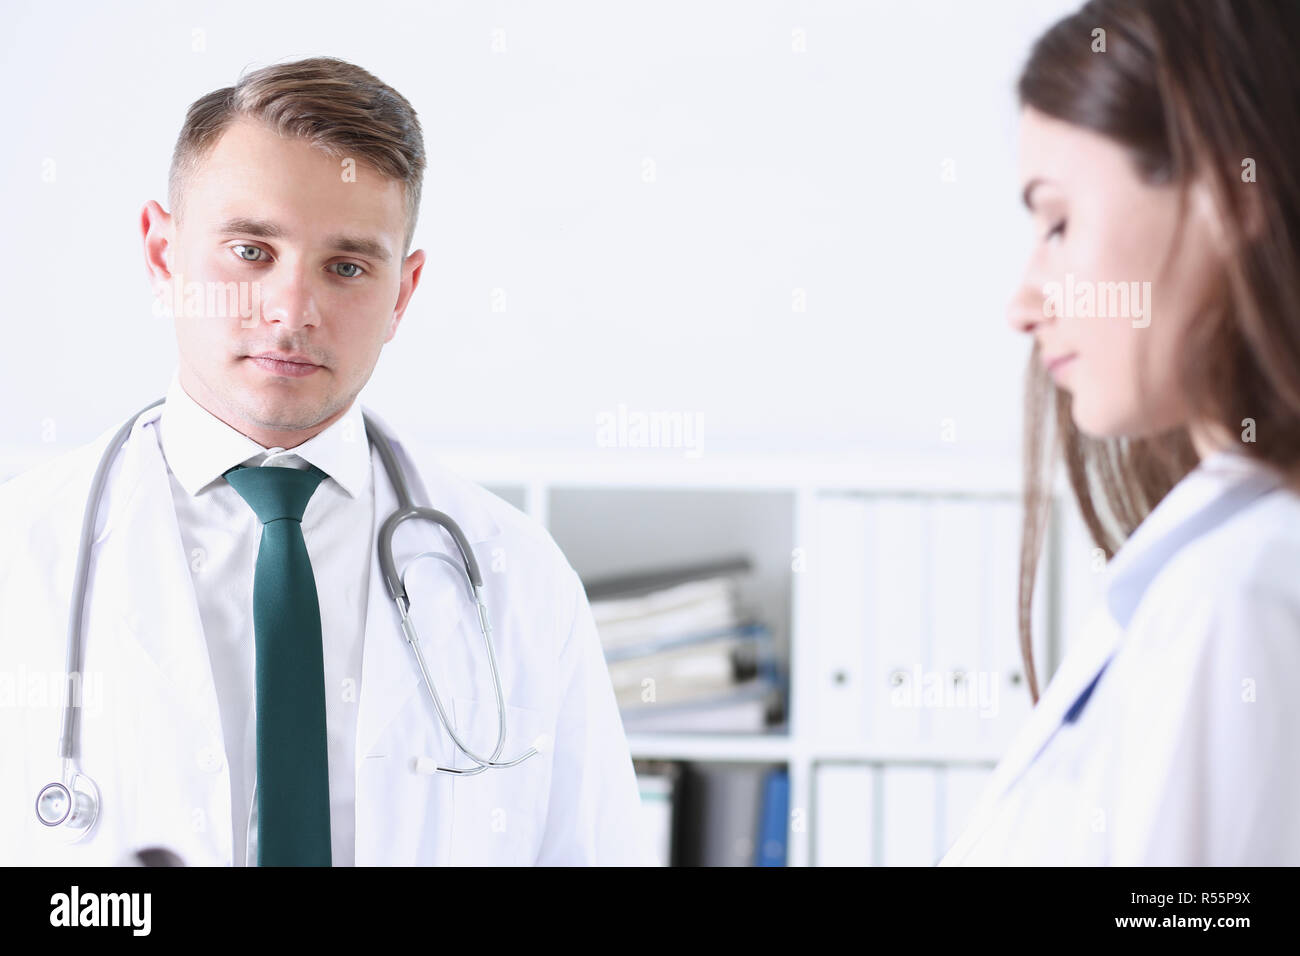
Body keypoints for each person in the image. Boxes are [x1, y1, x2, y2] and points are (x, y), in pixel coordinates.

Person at [0, 56, 655, 866]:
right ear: (163, 252)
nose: (292, 310)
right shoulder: (21, 557)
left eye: (346, 267)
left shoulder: (521, 578)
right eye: (250, 251)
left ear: (402, 295)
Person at [942, 0, 1300, 865]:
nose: (1024, 302)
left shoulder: (1240, 590)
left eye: (1059, 222)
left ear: (1228, 194)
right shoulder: (1219, 574)